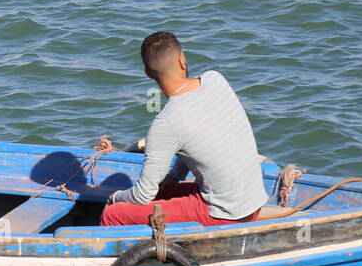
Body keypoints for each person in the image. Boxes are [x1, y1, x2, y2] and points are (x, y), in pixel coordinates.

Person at [100, 32, 268, 227]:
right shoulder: (216, 80)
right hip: (254, 202)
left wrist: (116, 197)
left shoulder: (166, 122)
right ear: (182, 60)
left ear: (148, 73)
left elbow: (142, 195)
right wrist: (174, 177)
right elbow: (196, 137)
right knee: (160, 192)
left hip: (225, 214)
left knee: (113, 214)